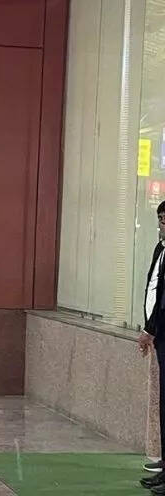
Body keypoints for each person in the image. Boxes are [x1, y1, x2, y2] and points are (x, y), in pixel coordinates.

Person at [139, 201, 165, 490]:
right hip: (159, 334)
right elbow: (153, 289)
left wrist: (151, 329)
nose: (160, 224)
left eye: (164, 219)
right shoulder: (160, 249)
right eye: (159, 218)